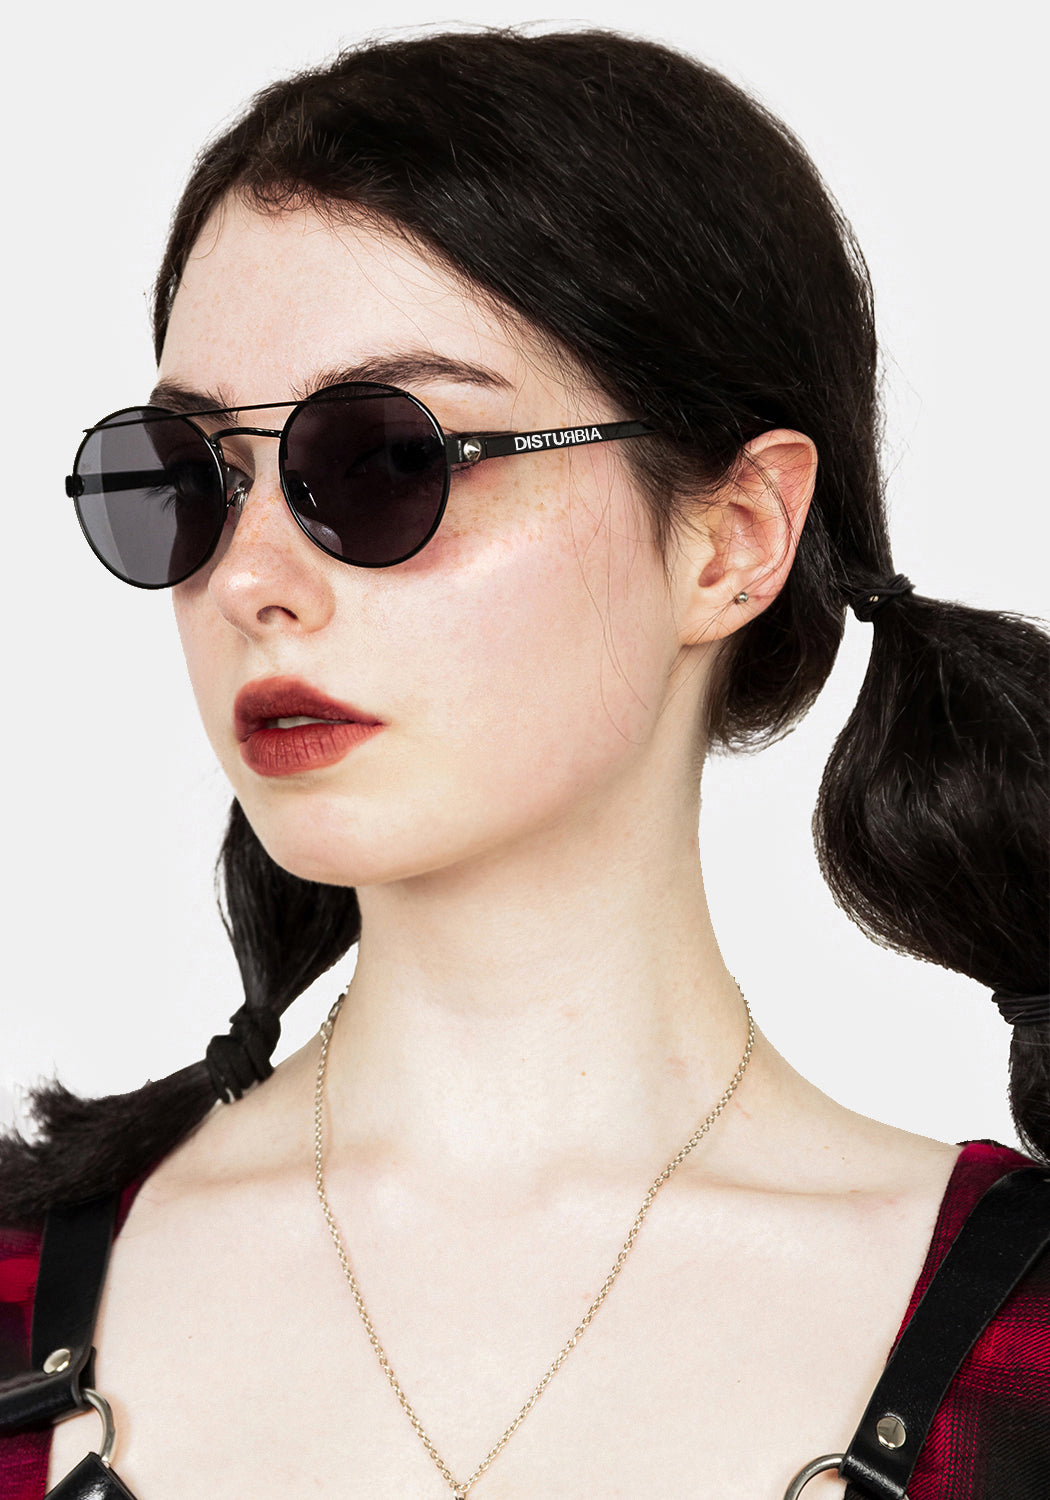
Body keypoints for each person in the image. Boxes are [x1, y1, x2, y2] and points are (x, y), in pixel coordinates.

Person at [1, 26, 1047, 1500]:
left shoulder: (1025, 1342)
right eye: (190, 480)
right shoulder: (20, 1282)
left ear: (732, 537)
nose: (248, 580)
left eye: (387, 459)